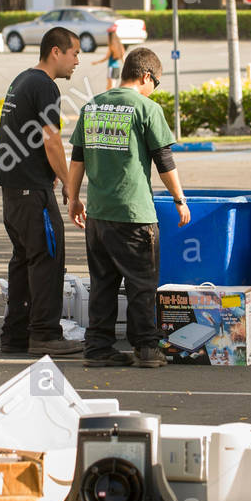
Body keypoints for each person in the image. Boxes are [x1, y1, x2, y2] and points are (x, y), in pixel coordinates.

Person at [66, 47, 191, 368]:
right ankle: (147, 348)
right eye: (157, 83)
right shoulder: (146, 108)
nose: (155, 90)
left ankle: (98, 348)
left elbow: (77, 159)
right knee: (142, 284)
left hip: (97, 216)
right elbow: (164, 160)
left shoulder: (91, 107)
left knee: (103, 284)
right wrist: (180, 200)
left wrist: (73, 198)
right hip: (134, 216)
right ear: (146, 76)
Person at [0, 26, 83, 357]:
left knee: (23, 261)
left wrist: (51, 176)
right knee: (47, 258)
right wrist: (71, 189)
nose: (77, 61)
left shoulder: (22, 80)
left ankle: (15, 335)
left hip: (15, 188)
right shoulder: (45, 86)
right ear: (55, 52)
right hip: (31, 191)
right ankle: (44, 334)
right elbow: (51, 139)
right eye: (74, 53)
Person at [93, 26, 125, 90]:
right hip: (117, 68)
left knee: (110, 87)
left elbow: (106, 58)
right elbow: (123, 59)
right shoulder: (120, 46)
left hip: (111, 68)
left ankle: (110, 99)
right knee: (113, 85)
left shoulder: (111, 46)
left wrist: (96, 62)